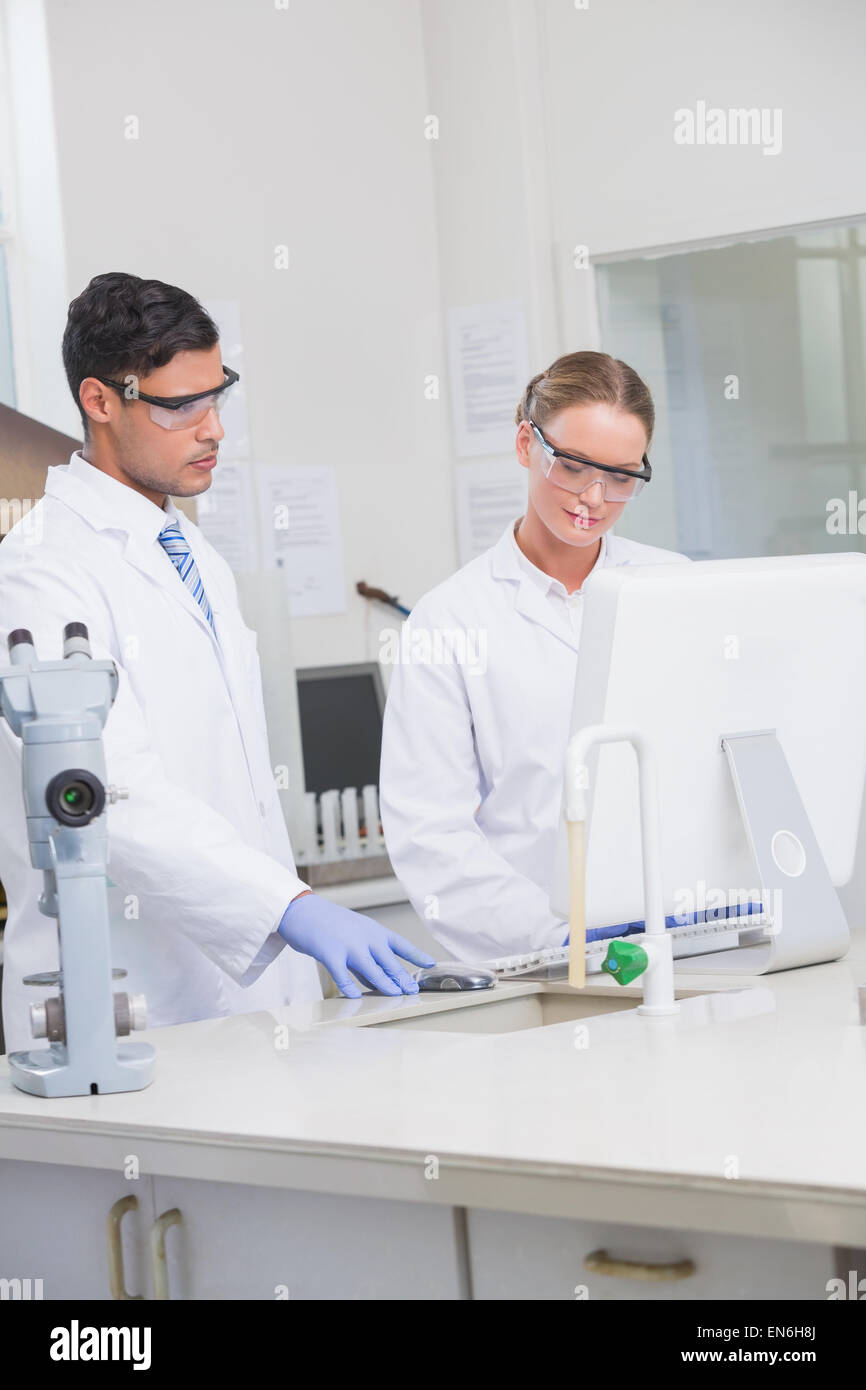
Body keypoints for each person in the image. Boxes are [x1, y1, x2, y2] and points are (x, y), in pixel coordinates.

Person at [0, 272, 432, 1054]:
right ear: (100, 401)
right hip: (133, 1005)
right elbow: (104, 794)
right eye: (180, 405)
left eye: (217, 395)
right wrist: (289, 909)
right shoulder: (40, 572)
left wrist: (281, 905)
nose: (213, 430)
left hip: (247, 993)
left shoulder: (190, 552)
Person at [380, 351, 691, 963]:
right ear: (527, 443)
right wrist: (564, 938)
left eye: (623, 476)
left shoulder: (673, 588)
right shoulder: (450, 621)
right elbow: (430, 835)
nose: (594, 498)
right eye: (573, 466)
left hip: (683, 938)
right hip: (539, 961)